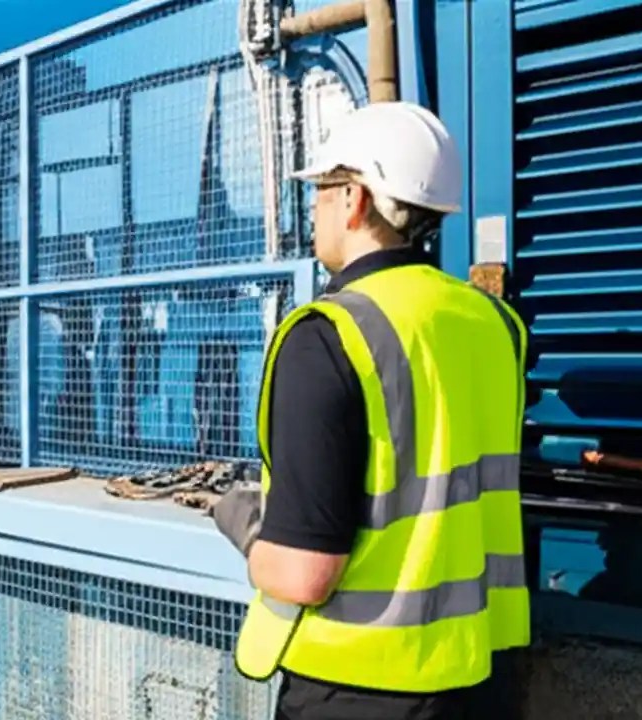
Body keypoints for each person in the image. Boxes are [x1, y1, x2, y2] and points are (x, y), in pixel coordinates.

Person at [210, 101, 530, 720]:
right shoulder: (496, 325)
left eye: (320, 190)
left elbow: (303, 575)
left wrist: (244, 521)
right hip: (481, 679)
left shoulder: (329, 335)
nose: (314, 209)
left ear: (353, 198)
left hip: (357, 687)